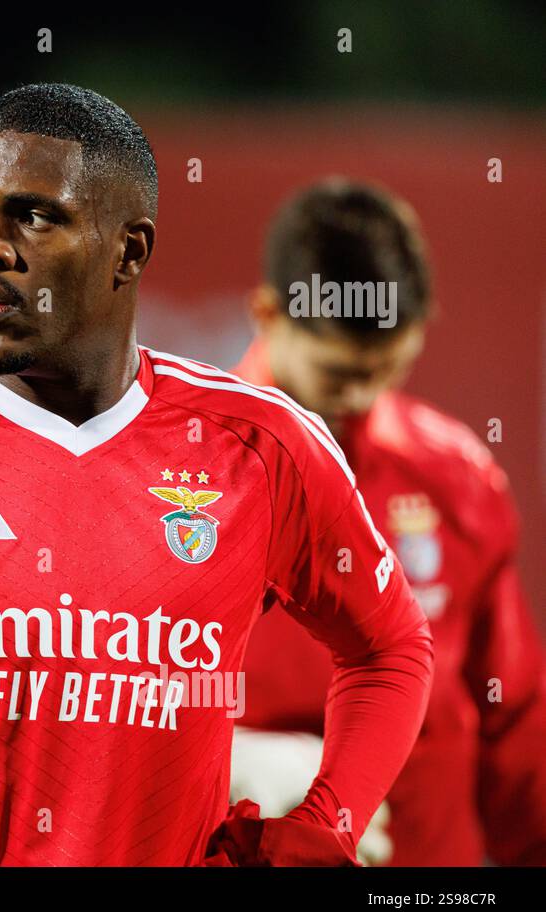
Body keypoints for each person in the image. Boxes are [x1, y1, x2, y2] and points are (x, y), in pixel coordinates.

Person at [0, 84, 434, 866]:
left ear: (129, 248)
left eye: (33, 215)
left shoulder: (263, 445)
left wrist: (326, 824)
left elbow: (390, 648)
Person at [230, 178, 546, 866]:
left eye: (388, 368)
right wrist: (234, 765)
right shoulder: (183, 477)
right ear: (266, 314)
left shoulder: (458, 477)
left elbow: (513, 717)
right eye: (340, 374)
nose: (363, 397)